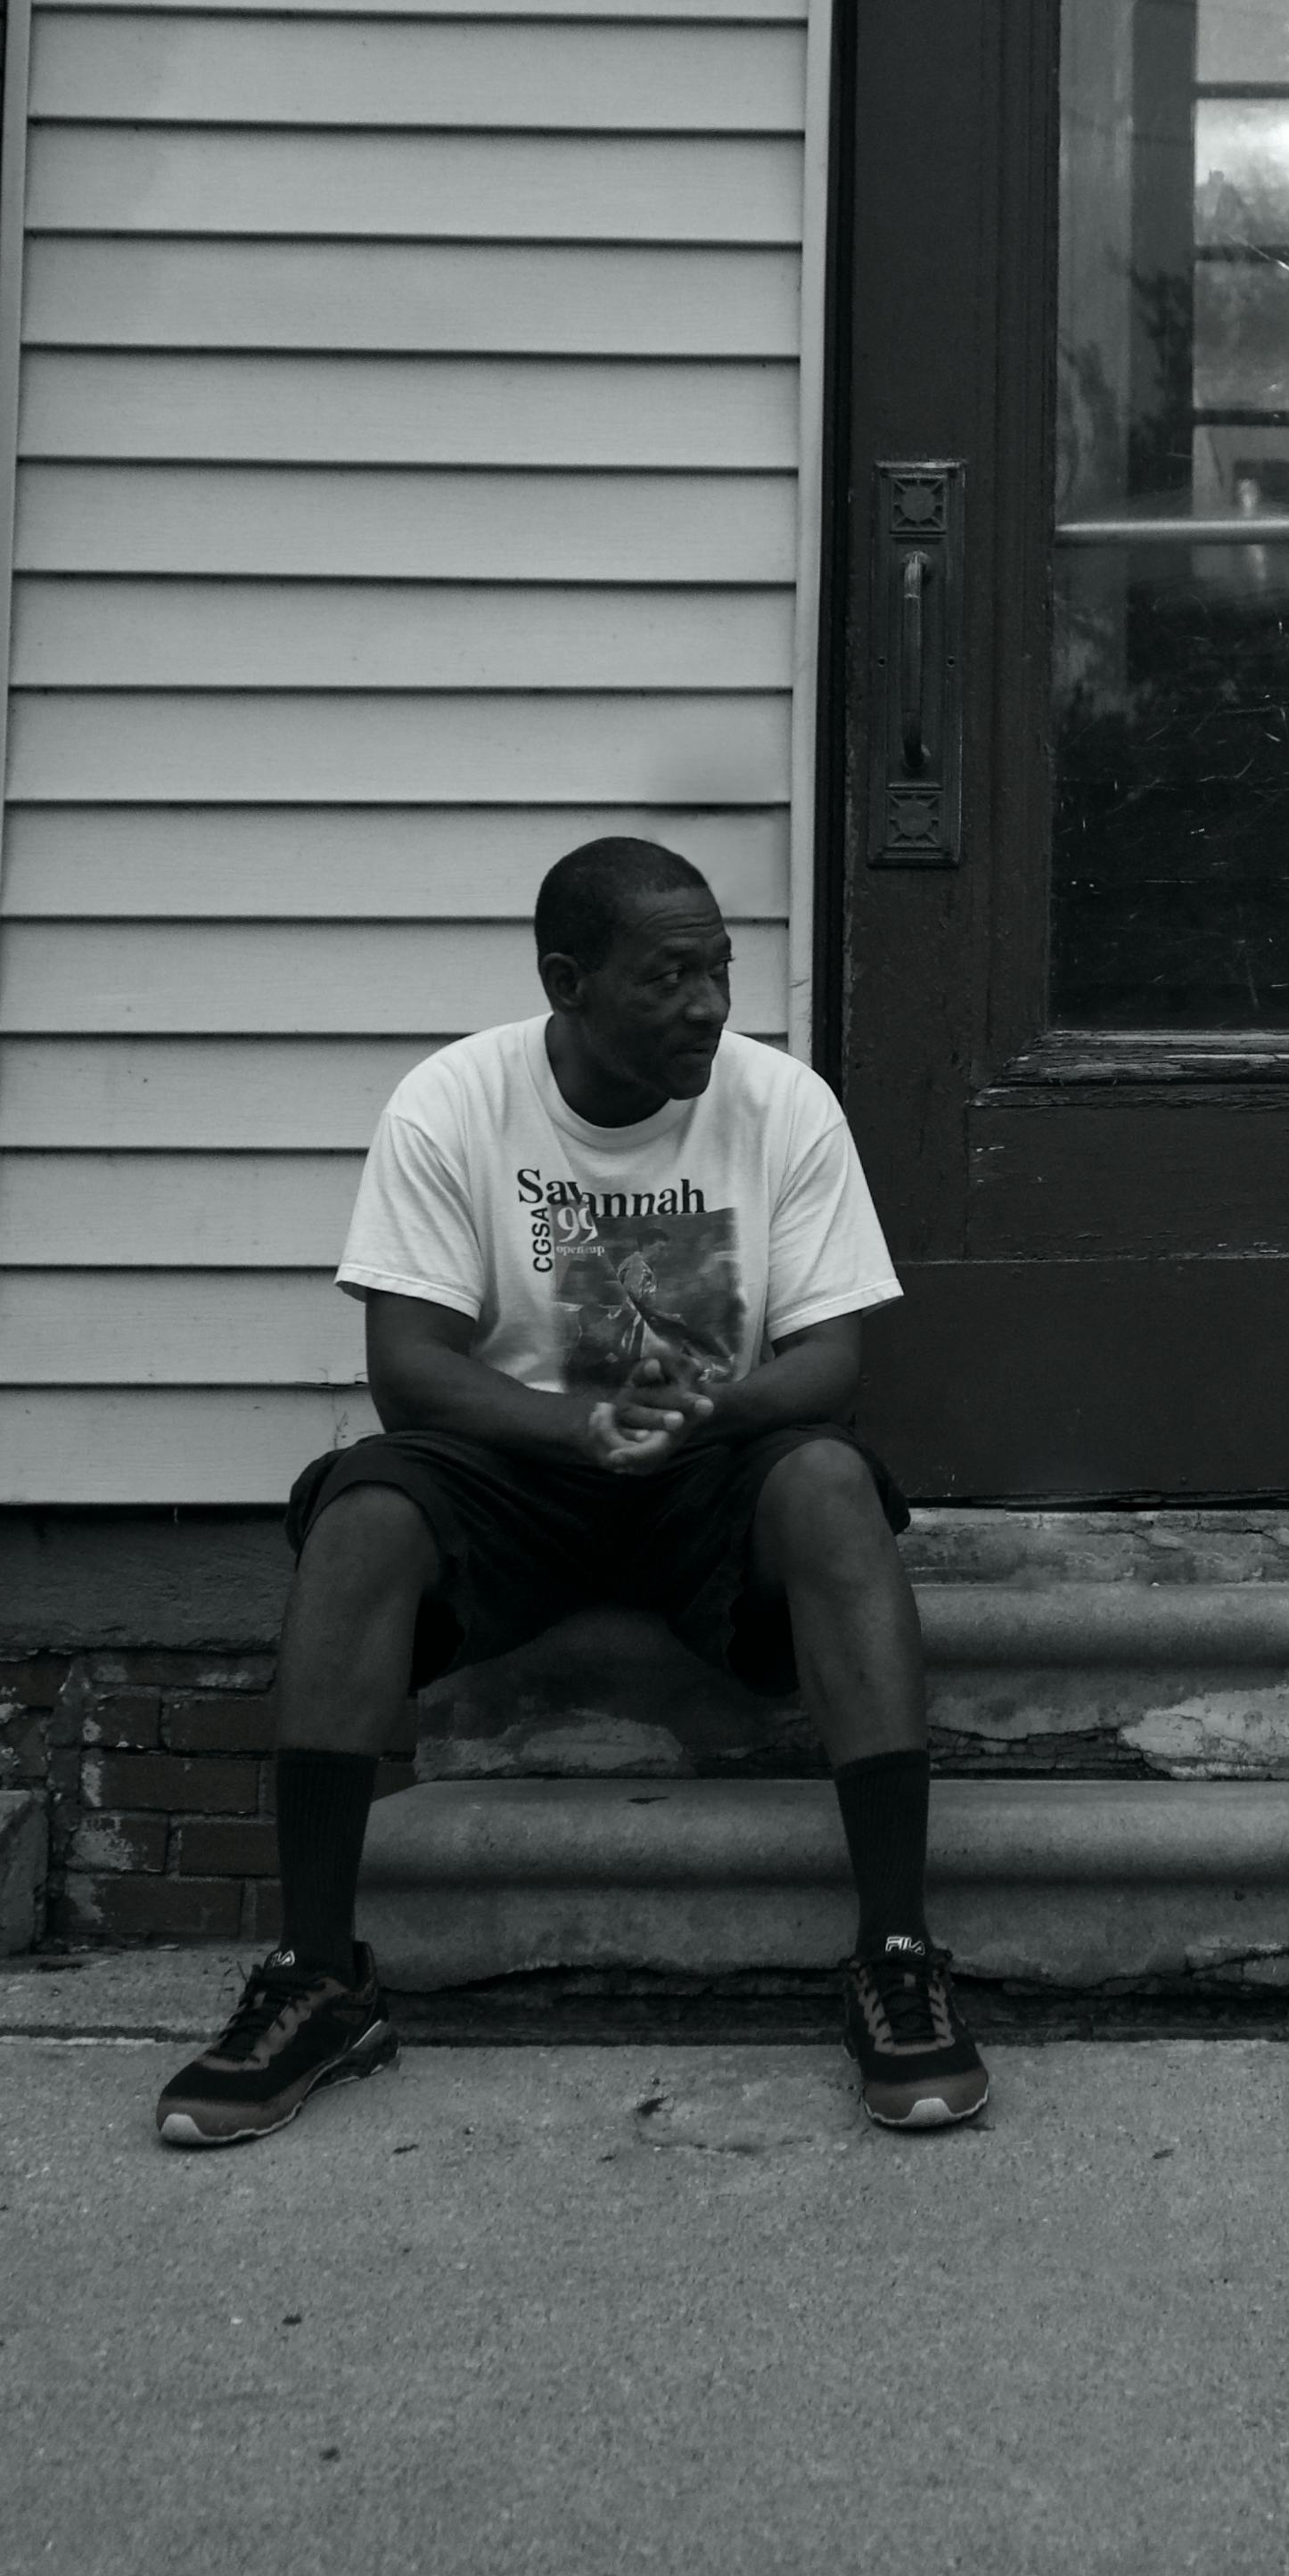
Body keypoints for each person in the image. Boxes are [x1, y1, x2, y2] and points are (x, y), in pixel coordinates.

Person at [155, 836, 987, 2145]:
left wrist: (714, 1407)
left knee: (828, 1482)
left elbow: (830, 1359)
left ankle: (895, 1953)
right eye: (669, 976)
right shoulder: (452, 1102)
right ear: (567, 980)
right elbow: (409, 1368)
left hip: (711, 1466)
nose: (710, 1004)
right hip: (522, 1472)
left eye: (719, 969)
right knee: (364, 1511)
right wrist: (575, 1427)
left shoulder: (781, 1104)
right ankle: (317, 1975)